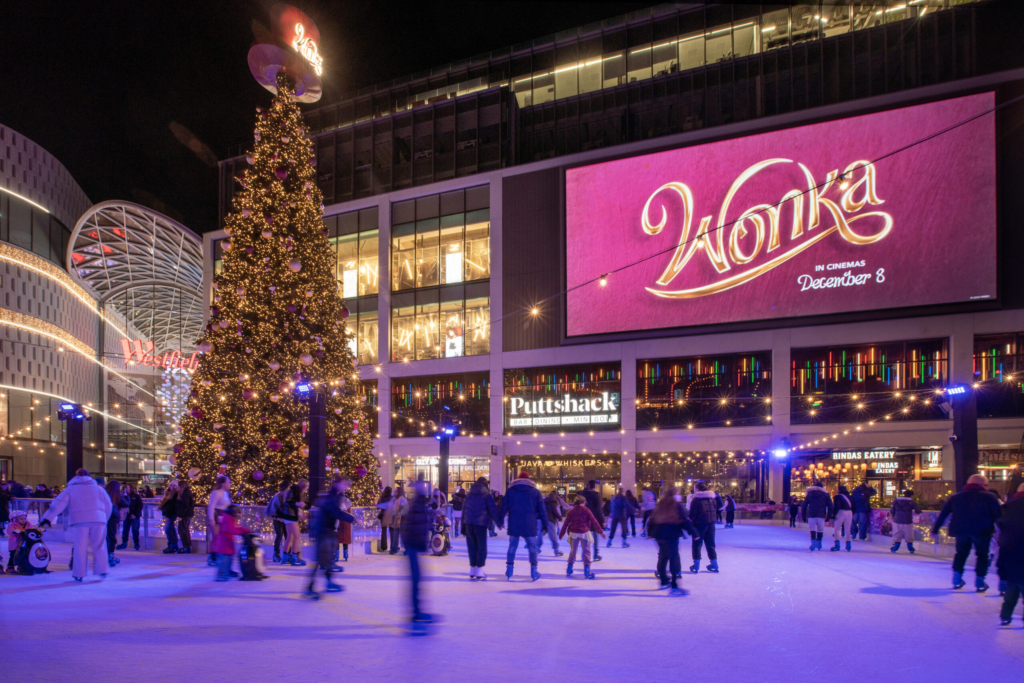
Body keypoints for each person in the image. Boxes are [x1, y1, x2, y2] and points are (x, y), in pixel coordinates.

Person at [931, 473, 1002, 591]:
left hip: (961, 531)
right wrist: (1003, 530)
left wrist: (935, 529)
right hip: (982, 531)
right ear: (983, 484)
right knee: (982, 555)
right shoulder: (990, 497)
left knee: (961, 553)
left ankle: (956, 579)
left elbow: (943, 514)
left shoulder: (956, 497)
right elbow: (998, 515)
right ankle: (980, 582)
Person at [40, 468, 112, 582]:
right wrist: (104, 518)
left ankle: (79, 573)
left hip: (79, 520)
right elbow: (108, 505)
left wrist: (47, 518)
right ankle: (102, 569)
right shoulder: (99, 489)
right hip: (98, 519)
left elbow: (59, 503)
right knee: (99, 545)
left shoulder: (71, 489)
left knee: (80, 546)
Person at [306, 479, 356, 598]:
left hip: (327, 531)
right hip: (323, 531)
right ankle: (309, 588)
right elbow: (336, 512)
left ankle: (329, 582)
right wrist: (353, 519)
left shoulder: (334, 496)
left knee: (327, 558)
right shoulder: (332, 497)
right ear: (336, 485)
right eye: (343, 484)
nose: (346, 487)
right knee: (320, 560)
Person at [498, 472, 548, 581]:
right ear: (529, 479)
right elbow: (542, 510)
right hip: (529, 522)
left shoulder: (510, 491)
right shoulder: (535, 492)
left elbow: (504, 507)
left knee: (512, 546)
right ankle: (534, 570)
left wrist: (500, 521)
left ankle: (509, 569)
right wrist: (545, 524)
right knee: (532, 547)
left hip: (514, 522)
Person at [648, 487, 697, 596]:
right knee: (673, 557)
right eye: (678, 493)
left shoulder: (660, 504)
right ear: (674, 494)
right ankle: (674, 586)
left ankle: (663, 581)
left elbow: (652, 519)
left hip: (659, 535)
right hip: (672, 534)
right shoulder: (676, 505)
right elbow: (684, 520)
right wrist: (693, 532)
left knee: (664, 556)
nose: (679, 495)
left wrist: (650, 533)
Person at [401, 480, 434, 624]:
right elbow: (417, 526)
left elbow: (418, 525)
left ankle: (417, 611)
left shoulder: (417, 503)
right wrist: (422, 545)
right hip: (413, 546)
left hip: (412, 545)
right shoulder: (418, 505)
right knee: (416, 580)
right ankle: (416, 613)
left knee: (417, 580)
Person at [558, 495, 604, 579]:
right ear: (583, 502)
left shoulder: (571, 511)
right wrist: (600, 531)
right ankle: (587, 570)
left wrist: (561, 534)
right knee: (586, 552)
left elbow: (565, 524)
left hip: (573, 533)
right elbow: (594, 520)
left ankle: (569, 569)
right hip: (584, 533)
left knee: (573, 551)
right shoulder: (586, 510)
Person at [997, 483, 1024, 626]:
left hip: (1011, 550)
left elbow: (1001, 525)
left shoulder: (1008, 507)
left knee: (1012, 588)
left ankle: (1005, 616)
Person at [462, 477, 499, 580]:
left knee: (472, 546)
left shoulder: (469, 495)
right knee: (481, 547)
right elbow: (493, 510)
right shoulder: (486, 495)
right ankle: (479, 570)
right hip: (480, 524)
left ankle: (472, 569)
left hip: (469, 523)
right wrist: (499, 523)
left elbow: (464, 510)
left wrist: (463, 526)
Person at [687, 482, 720, 572]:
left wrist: (691, 526)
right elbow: (715, 510)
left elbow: (692, 515)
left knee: (697, 544)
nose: (694, 490)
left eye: (694, 488)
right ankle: (714, 564)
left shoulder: (696, 499)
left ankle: (696, 565)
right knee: (710, 544)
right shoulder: (712, 499)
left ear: (697, 489)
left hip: (700, 525)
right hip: (711, 525)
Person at [211, 505, 249, 582]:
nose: (237, 515)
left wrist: (247, 531)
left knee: (229, 560)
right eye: (236, 513)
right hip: (224, 545)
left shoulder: (229, 518)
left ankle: (227, 572)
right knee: (225, 561)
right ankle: (221, 574)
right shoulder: (227, 519)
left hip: (227, 544)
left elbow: (237, 527)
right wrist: (242, 533)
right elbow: (231, 529)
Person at [280, 480, 309, 566]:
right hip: (290, 516)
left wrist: (300, 506)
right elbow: (287, 502)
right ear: (303, 486)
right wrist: (297, 504)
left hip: (288, 516)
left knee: (290, 537)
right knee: (297, 535)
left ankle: (285, 557)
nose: (307, 488)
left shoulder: (296, 491)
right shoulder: (293, 491)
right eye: (307, 486)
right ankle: (294, 558)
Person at [207, 474, 232, 568]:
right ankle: (212, 557)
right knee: (216, 537)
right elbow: (211, 506)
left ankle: (218, 555)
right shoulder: (216, 493)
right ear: (222, 484)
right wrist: (211, 519)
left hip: (224, 518)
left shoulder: (227, 494)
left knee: (222, 538)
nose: (229, 484)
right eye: (228, 482)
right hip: (216, 516)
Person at [801, 481, 833, 551]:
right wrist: (829, 516)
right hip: (821, 514)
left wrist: (803, 516)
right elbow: (830, 506)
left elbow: (804, 505)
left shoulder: (810, 494)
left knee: (812, 528)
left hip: (811, 513)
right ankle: (819, 543)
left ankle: (813, 542)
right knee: (820, 529)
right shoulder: (826, 495)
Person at [890, 489, 922, 554]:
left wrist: (895, 517)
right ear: (911, 495)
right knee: (909, 534)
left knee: (897, 533)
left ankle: (895, 547)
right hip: (908, 520)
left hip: (897, 520)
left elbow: (892, 511)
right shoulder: (912, 502)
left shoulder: (896, 501)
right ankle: (910, 548)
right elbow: (918, 511)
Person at [104, 480, 128, 566]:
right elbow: (126, 504)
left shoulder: (104, 493)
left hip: (104, 516)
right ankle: (110, 555)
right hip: (113, 517)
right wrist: (126, 496)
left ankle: (105, 555)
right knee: (112, 536)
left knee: (105, 536)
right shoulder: (118, 495)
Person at [581, 480, 606, 562]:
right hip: (593, 518)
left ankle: (584, 554)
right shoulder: (596, 495)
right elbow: (598, 509)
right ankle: (595, 555)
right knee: (595, 535)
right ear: (594, 487)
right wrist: (602, 520)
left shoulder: (582, 494)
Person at [266, 480, 291, 562]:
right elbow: (273, 508)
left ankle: (287, 554)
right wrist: (278, 517)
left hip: (285, 519)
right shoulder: (278, 496)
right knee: (279, 535)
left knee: (287, 536)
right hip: (278, 519)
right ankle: (276, 554)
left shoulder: (287, 495)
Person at [117, 484, 143, 551]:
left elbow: (139, 506)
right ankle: (124, 543)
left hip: (135, 516)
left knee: (135, 530)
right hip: (127, 515)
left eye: (129, 488)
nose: (128, 490)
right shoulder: (124, 496)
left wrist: (135, 514)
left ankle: (136, 543)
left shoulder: (136, 496)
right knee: (125, 530)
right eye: (127, 488)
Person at [539, 490, 564, 556]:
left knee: (540, 534)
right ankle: (556, 550)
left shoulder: (543, 501)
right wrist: (560, 518)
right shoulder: (553, 502)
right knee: (552, 535)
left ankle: (537, 547)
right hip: (550, 520)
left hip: (542, 519)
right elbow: (554, 511)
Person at [384, 485, 407, 555]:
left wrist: (400, 514)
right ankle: (394, 549)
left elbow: (406, 508)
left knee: (403, 536)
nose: (395, 492)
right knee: (395, 535)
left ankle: (408, 549)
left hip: (402, 521)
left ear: (399, 492)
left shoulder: (402, 499)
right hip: (396, 520)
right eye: (395, 491)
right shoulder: (394, 499)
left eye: (396, 491)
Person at [830, 485, 854, 552]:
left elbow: (837, 506)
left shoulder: (837, 497)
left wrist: (834, 514)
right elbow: (854, 506)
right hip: (849, 512)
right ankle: (848, 545)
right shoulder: (851, 497)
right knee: (847, 529)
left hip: (841, 512)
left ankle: (837, 544)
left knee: (837, 528)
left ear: (839, 490)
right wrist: (852, 513)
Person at [158, 480, 180, 554]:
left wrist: (168, 515)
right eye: (171, 485)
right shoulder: (168, 494)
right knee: (171, 528)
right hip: (168, 514)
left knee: (168, 529)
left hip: (171, 514)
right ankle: (173, 545)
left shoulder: (176, 495)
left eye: (174, 485)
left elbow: (172, 507)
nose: (172, 487)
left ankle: (172, 545)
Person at [176, 480, 195, 554]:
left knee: (182, 530)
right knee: (185, 530)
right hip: (186, 514)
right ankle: (187, 546)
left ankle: (187, 546)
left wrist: (180, 515)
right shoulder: (186, 492)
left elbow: (185, 505)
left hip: (185, 514)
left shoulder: (185, 493)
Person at [376, 486, 392, 552]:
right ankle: (393, 546)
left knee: (383, 531)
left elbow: (378, 507)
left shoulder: (381, 498)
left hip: (382, 515)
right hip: (389, 515)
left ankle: (383, 547)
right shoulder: (391, 498)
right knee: (392, 531)